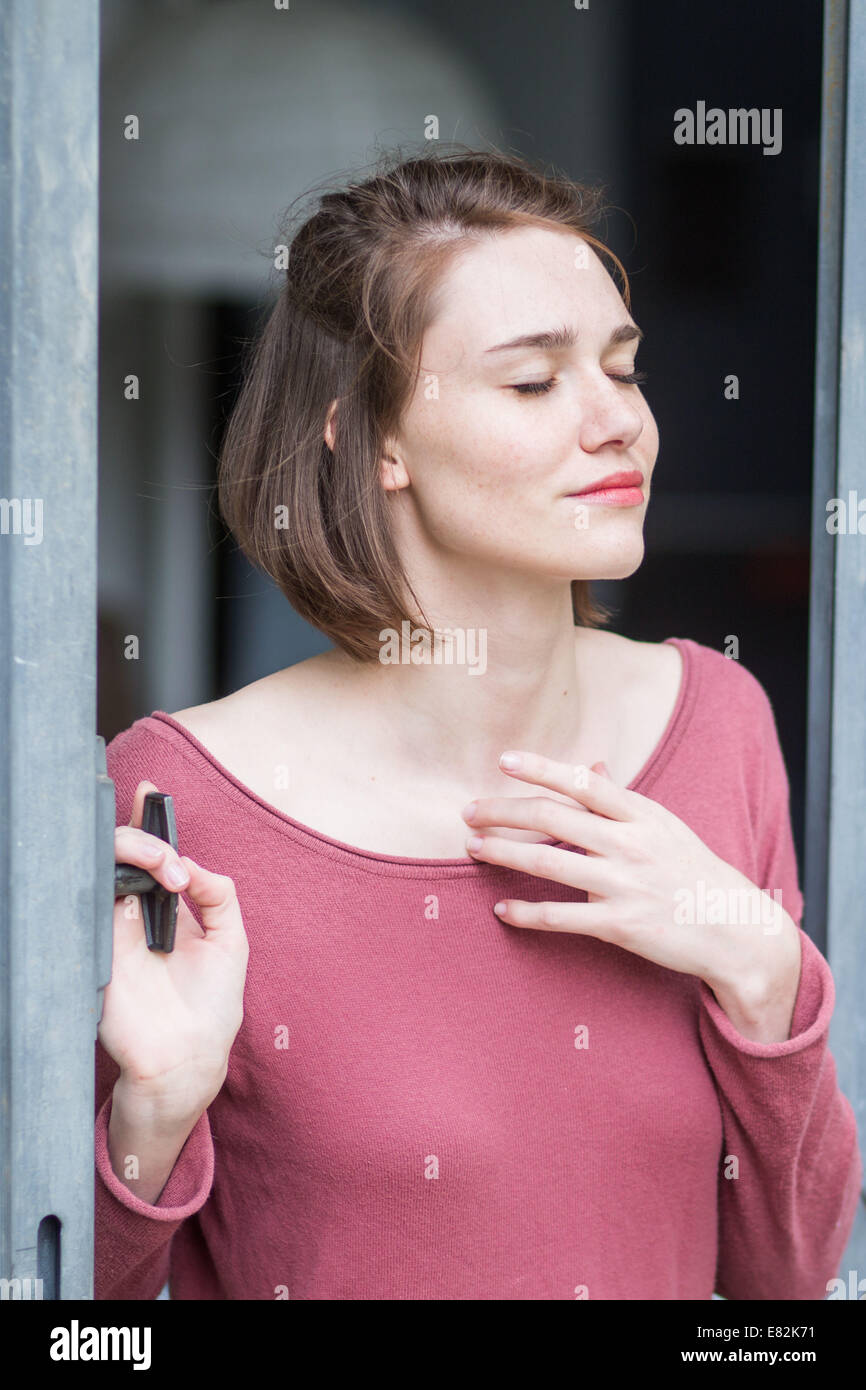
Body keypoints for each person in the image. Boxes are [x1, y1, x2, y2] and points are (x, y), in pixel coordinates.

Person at [95, 147, 861, 1301]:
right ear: (372, 438)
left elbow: (783, 1289)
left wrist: (760, 969)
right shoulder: (180, 792)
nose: (619, 424)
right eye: (532, 382)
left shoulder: (717, 720)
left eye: (622, 368)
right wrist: (148, 1120)